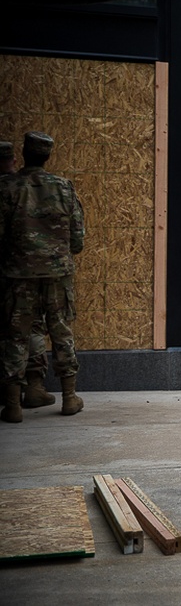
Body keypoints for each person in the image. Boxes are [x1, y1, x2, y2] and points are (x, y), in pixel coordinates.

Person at [0, 132, 86, 422]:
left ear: (23, 154)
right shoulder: (63, 187)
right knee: (61, 332)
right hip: (57, 274)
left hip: (18, 275)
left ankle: (13, 405)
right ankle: (70, 397)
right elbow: (78, 239)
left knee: (16, 336)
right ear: (47, 156)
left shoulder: (7, 187)